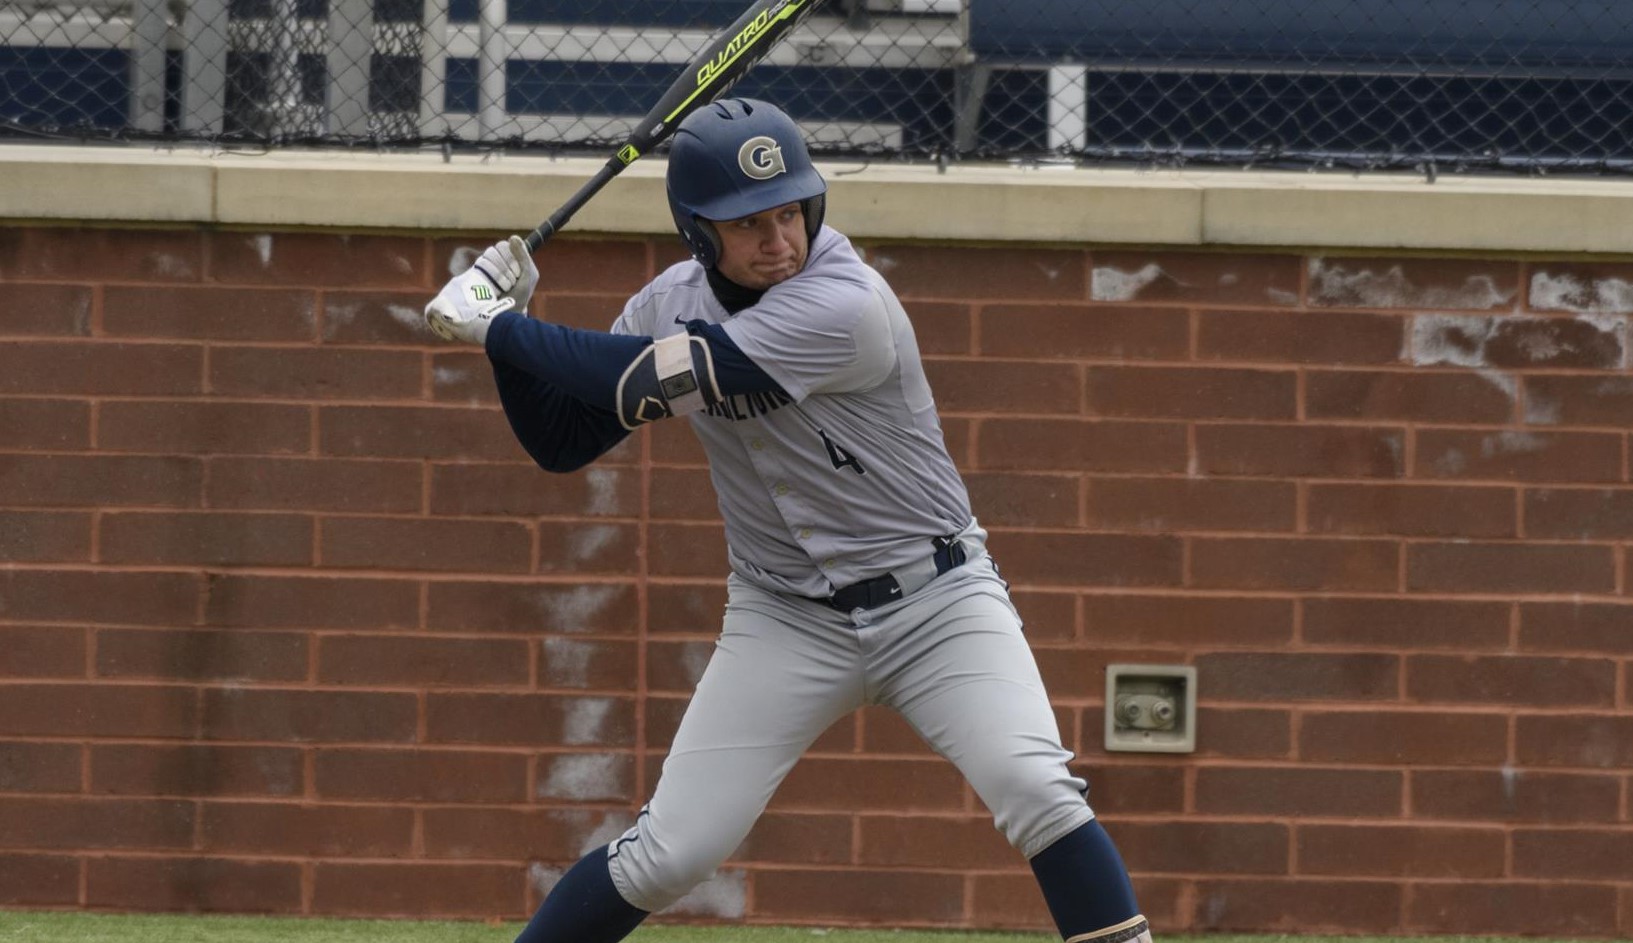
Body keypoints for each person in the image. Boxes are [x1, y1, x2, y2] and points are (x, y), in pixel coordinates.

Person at [423, 97, 1152, 943]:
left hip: (936, 601)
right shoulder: (670, 299)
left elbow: (662, 378)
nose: (780, 239)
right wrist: (506, 341)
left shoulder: (845, 304)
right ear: (699, 232)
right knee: (668, 853)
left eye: (789, 212)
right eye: (748, 224)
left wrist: (500, 326)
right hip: (784, 619)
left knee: (1035, 788)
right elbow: (562, 438)